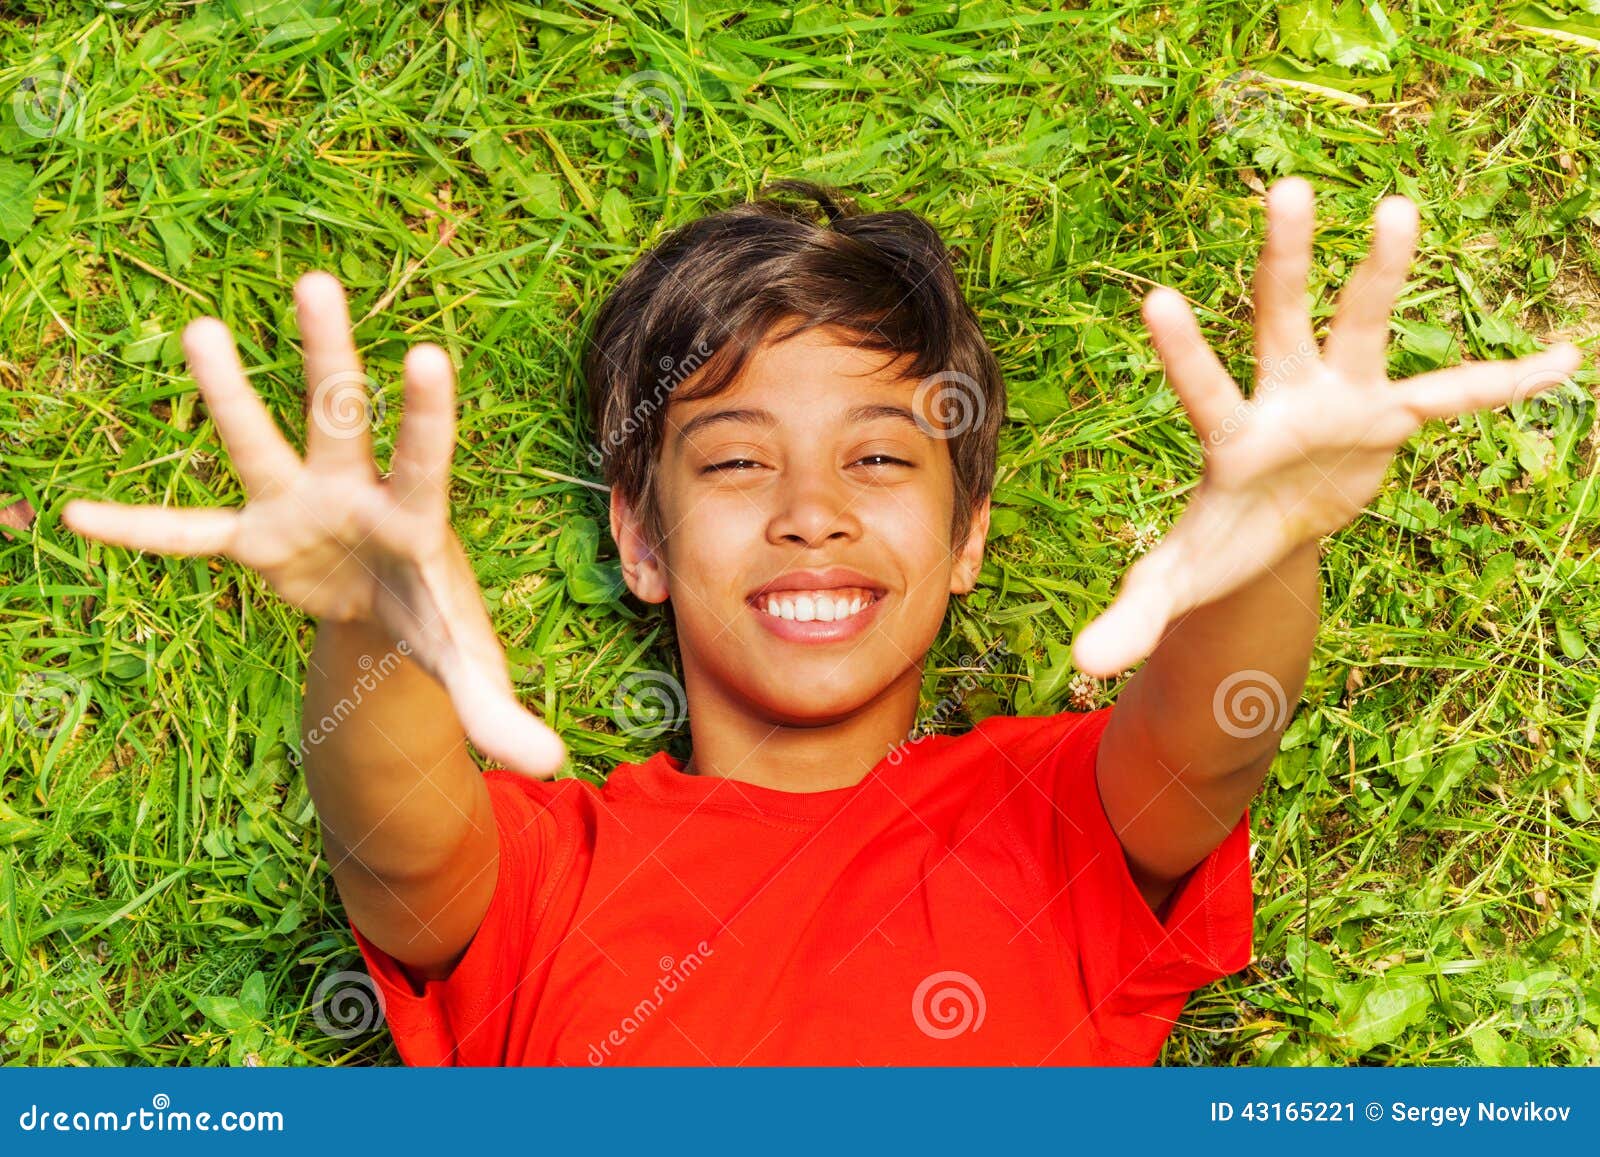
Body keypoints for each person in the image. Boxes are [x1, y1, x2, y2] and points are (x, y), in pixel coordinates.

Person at [60, 179, 1582, 1065]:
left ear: (969, 533)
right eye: (732, 462)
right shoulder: (548, 871)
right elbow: (393, 843)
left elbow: (1210, 738)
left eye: (879, 457)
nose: (810, 512)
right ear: (641, 541)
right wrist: (366, 623)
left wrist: (1272, 541)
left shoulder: (1048, 821)